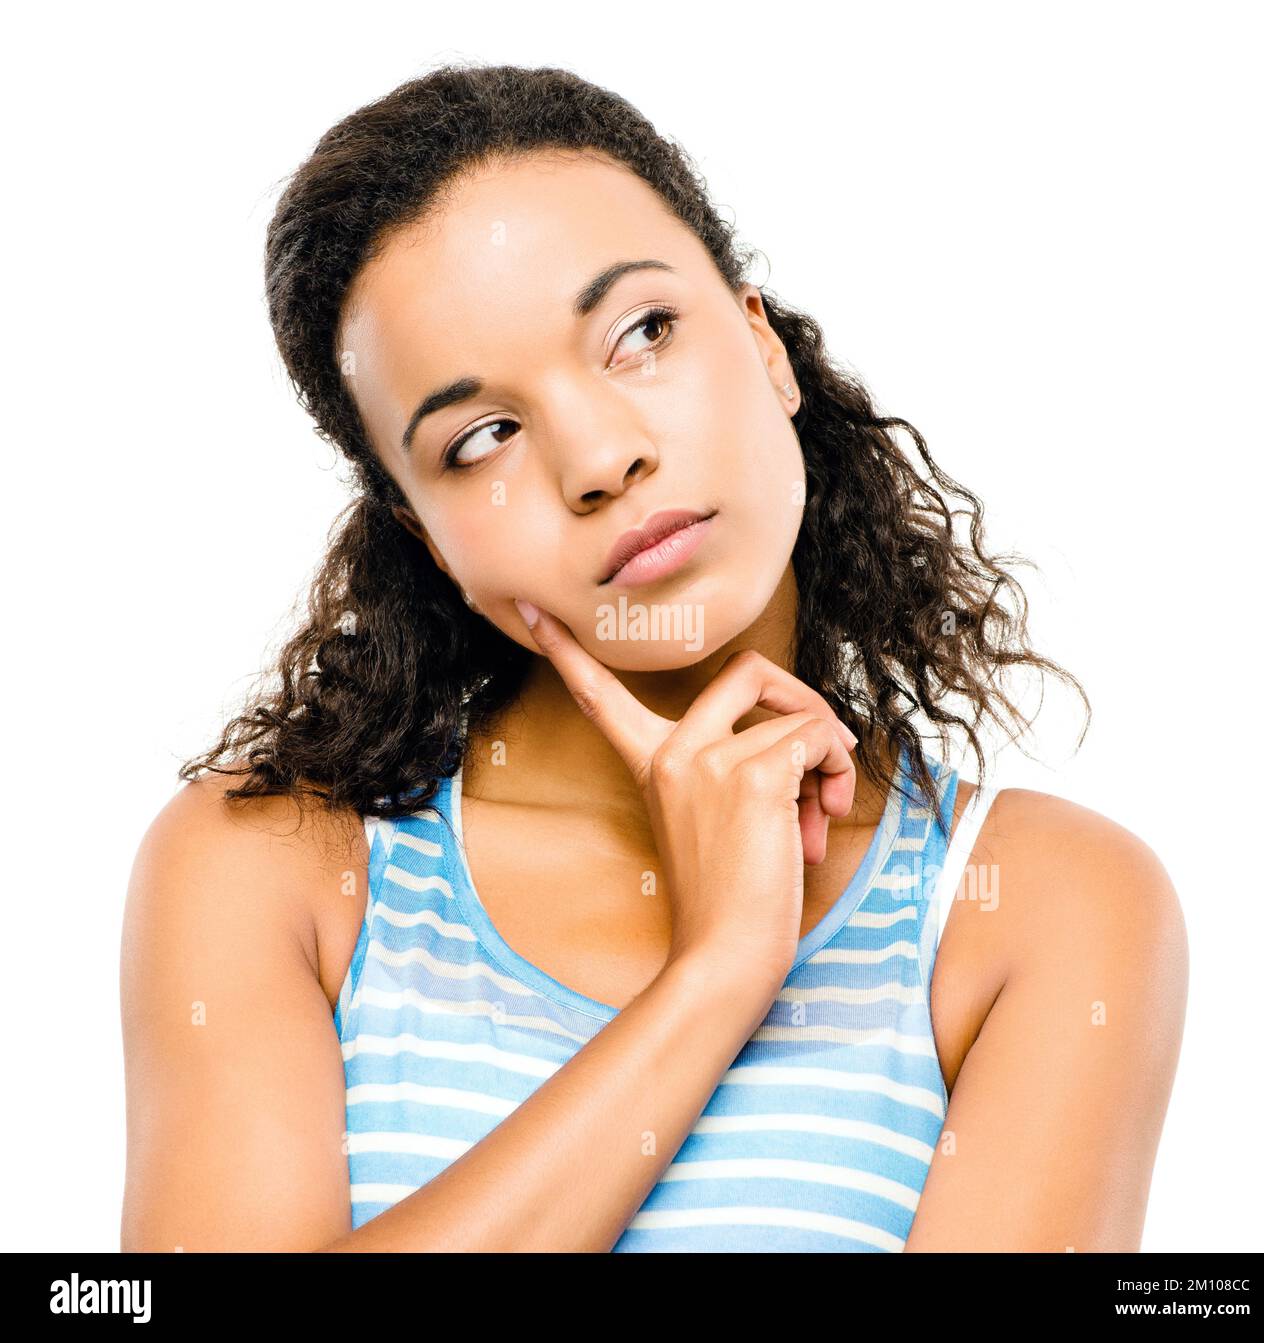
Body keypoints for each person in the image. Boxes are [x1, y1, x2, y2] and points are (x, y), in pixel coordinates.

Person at [119, 63, 1188, 1252]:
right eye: (482, 436)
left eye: (640, 333)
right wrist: (715, 972)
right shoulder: (274, 867)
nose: (598, 457)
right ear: (428, 539)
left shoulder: (1040, 909)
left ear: (764, 346)